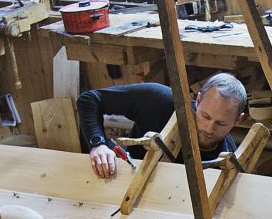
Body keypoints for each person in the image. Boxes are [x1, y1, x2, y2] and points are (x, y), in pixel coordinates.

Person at [78, 73, 247, 179]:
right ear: (198, 100)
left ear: (237, 120)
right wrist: (97, 144)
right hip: (126, 180)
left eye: (221, 123)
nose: (210, 129)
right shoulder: (159, 102)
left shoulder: (228, 158)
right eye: (205, 116)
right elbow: (89, 100)